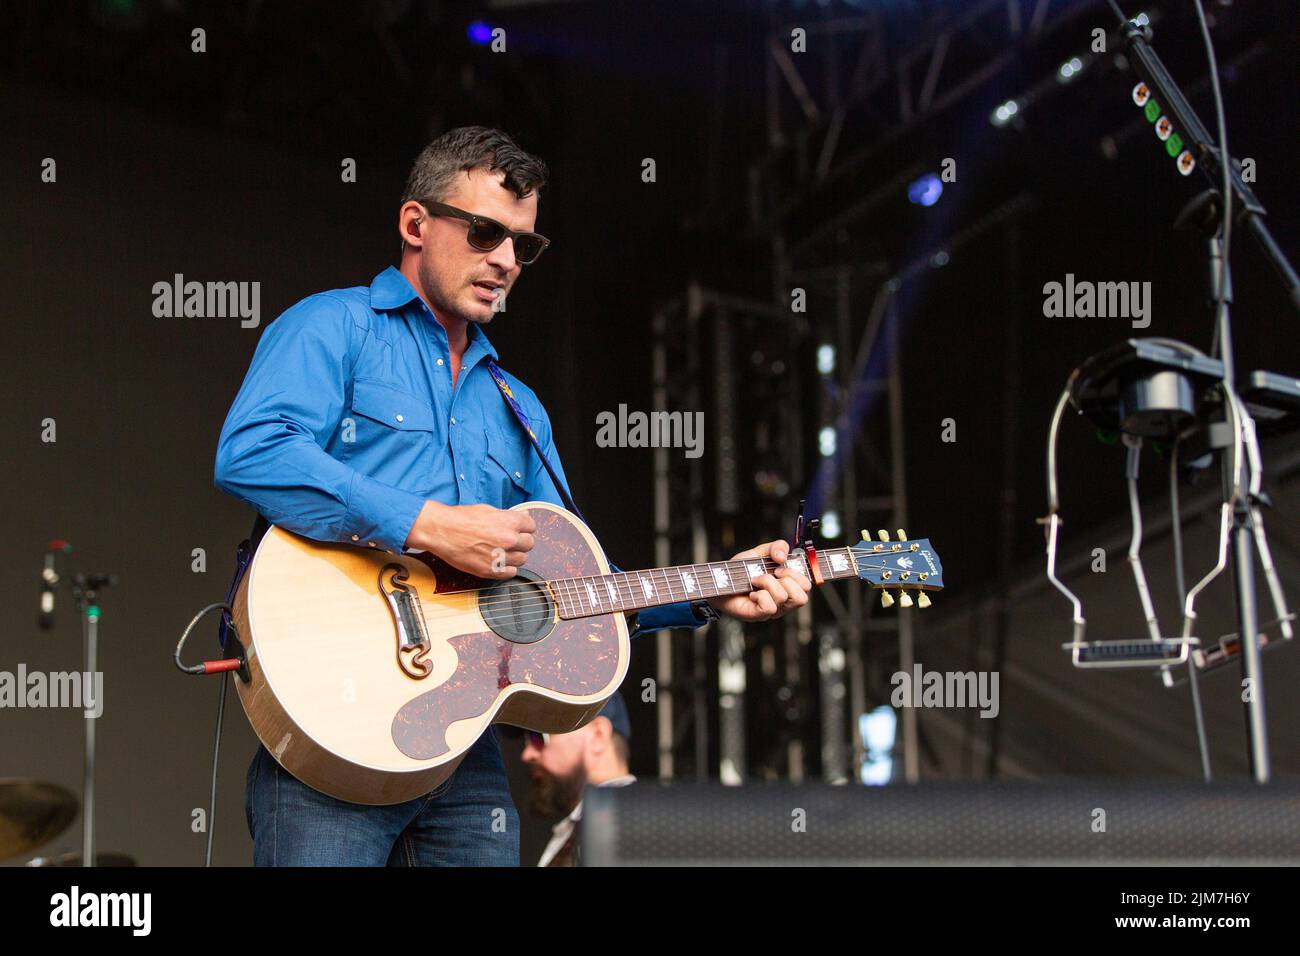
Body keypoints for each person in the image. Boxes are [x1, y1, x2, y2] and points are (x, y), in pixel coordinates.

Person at [215, 126, 811, 866]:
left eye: (522, 246)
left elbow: (571, 587)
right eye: (485, 232)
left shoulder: (517, 403)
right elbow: (252, 452)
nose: (503, 260)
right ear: (415, 224)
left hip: (465, 745)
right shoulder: (334, 327)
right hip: (329, 716)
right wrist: (428, 525)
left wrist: (710, 592)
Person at [522, 693, 636, 867]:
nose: (527, 754)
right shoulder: (579, 829)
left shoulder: (633, 825)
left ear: (597, 735)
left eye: (538, 737)